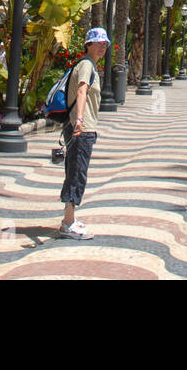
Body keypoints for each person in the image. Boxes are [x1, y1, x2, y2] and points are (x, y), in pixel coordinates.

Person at [59, 27, 108, 240]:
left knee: (76, 170)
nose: (102, 46)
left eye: (104, 43)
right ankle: (68, 223)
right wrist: (79, 120)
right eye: (98, 43)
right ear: (88, 44)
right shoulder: (87, 65)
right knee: (77, 173)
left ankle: (70, 218)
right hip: (82, 128)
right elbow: (81, 90)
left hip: (82, 127)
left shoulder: (87, 65)